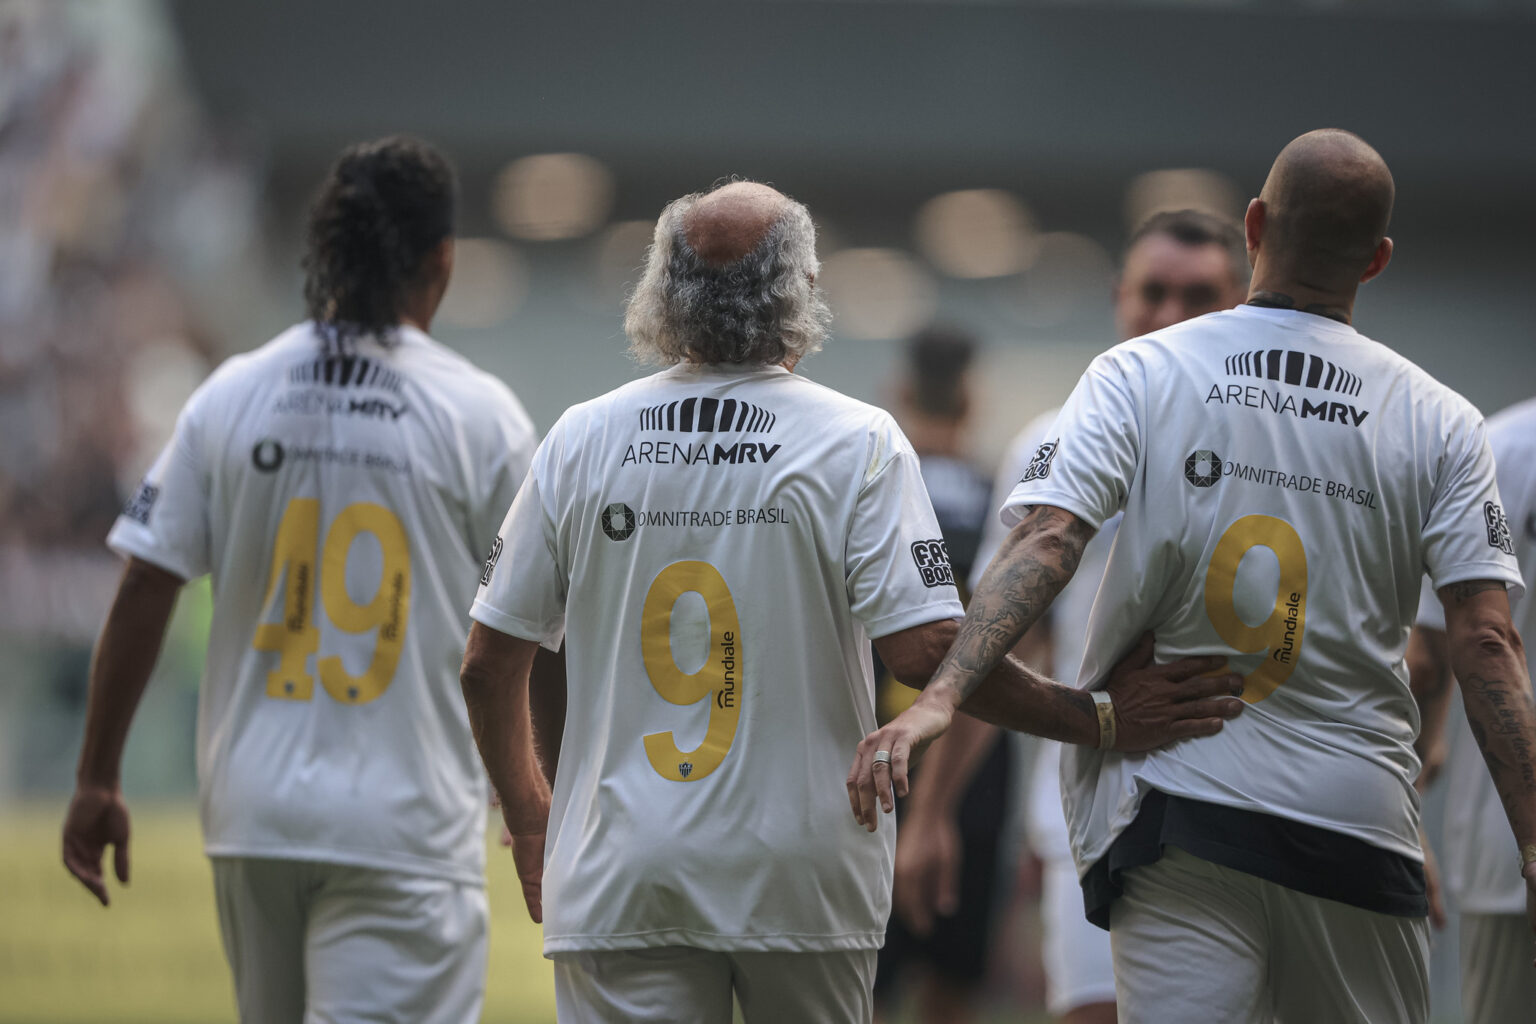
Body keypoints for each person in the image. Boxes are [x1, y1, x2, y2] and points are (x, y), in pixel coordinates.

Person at [459, 180, 1245, 1024]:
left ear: (660, 292)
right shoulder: (857, 440)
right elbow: (928, 651)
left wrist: (535, 812)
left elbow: (491, 661)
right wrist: (1098, 717)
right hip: (802, 881)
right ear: (799, 293)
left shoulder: (580, 438)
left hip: (619, 876)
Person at [852, 129, 1536, 1024]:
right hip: (1357, 828)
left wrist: (939, 698)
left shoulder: (1141, 372)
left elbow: (1048, 542)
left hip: (1178, 808)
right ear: (1377, 260)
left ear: (1253, 229)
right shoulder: (1442, 419)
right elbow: (1482, 640)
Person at [61, 136, 539, 1023]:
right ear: (440, 263)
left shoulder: (229, 394)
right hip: (402, 825)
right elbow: (535, 624)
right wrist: (533, 788)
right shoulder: (482, 417)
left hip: (253, 818)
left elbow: (144, 583)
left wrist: (97, 776)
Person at [896, 209, 1248, 1024]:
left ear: (1242, 304)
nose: (1169, 315)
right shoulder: (1055, 442)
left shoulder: (1284, 447)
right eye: (1152, 292)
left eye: (1198, 296)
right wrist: (934, 813)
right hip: (1092, 812)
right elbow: (1002, 637)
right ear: (1120, 296)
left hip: (1248, 806)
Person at [873, 327, 1008, 1024]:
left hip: (869, 766)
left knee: (859, 985)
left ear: (898, 391)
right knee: (951, 986)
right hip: (973, 772)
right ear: (970, 399)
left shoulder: (871, 490)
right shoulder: (1003, 500)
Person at [1408, 395, 1536, 1024]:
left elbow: (1427, 664)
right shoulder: (1500, 451)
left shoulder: (1502, 449)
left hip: (1510, 854)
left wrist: (1396, 822)